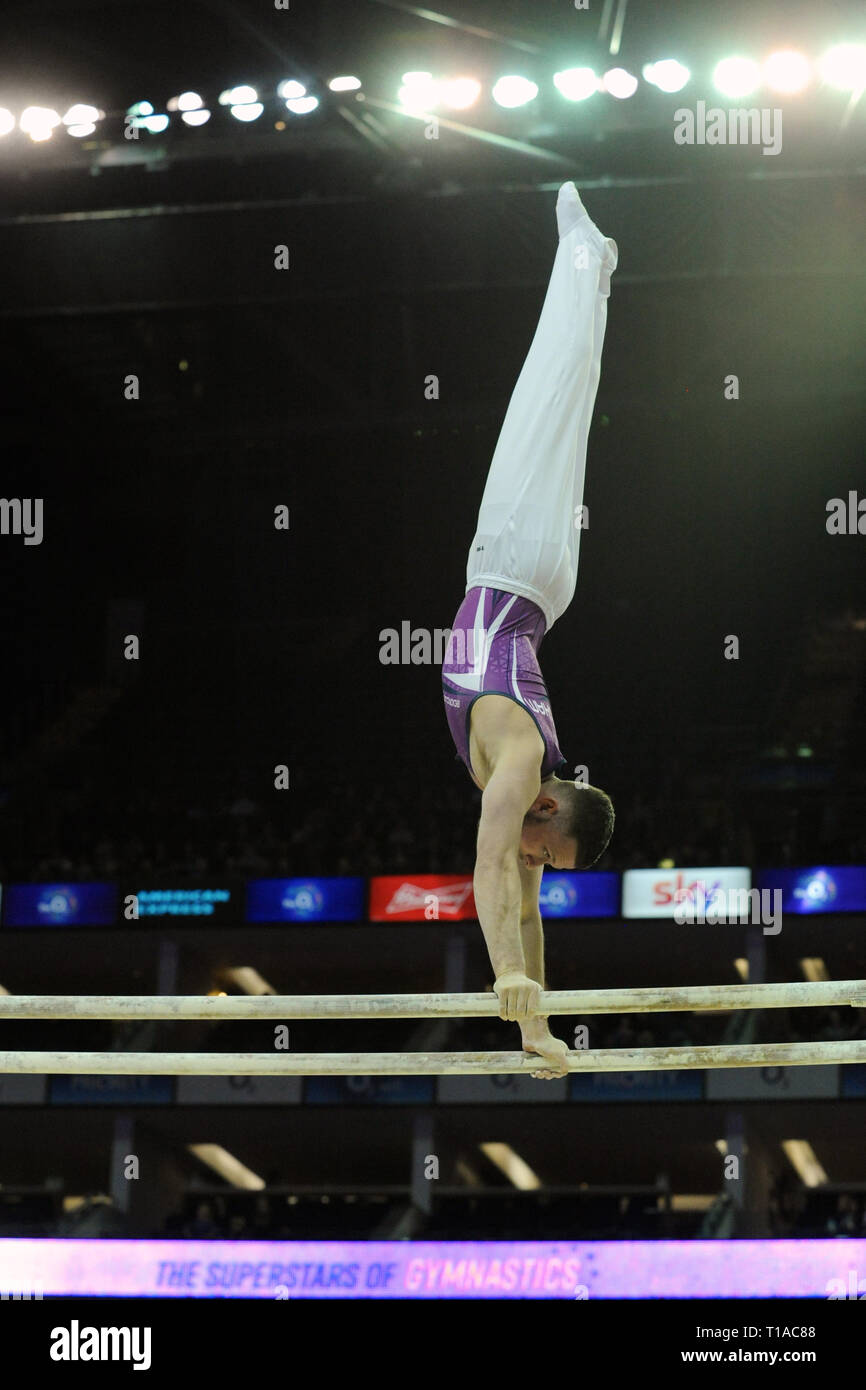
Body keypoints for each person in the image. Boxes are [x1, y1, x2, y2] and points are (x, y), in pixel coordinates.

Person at [442, 182, 618, 1078]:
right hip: (513, 563)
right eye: (544, 849)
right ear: (549, 809)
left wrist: (534, 1025)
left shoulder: (535, 794)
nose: (531, 860)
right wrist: (503, 970)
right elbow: (488, 866)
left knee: (567, 406)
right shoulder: (518, 766)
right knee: (545, 399)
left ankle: (593, 270)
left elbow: (530, 912)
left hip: (543, 587)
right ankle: (582, 252)